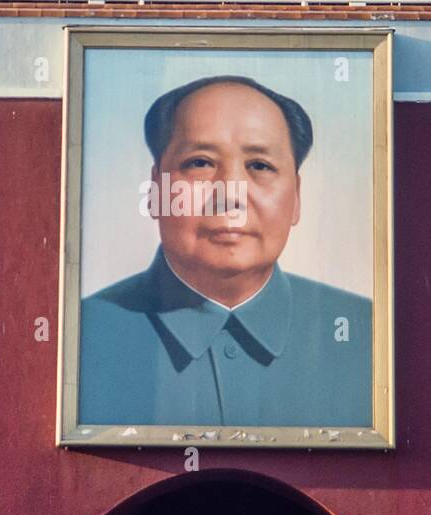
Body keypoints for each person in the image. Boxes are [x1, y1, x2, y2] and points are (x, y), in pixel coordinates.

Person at [79, 76, 373, 427]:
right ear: (157, 189)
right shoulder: (83, 335)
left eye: (259, 166)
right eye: (200, 163)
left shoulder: (368, 337)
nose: (231, 195)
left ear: (296, 196)